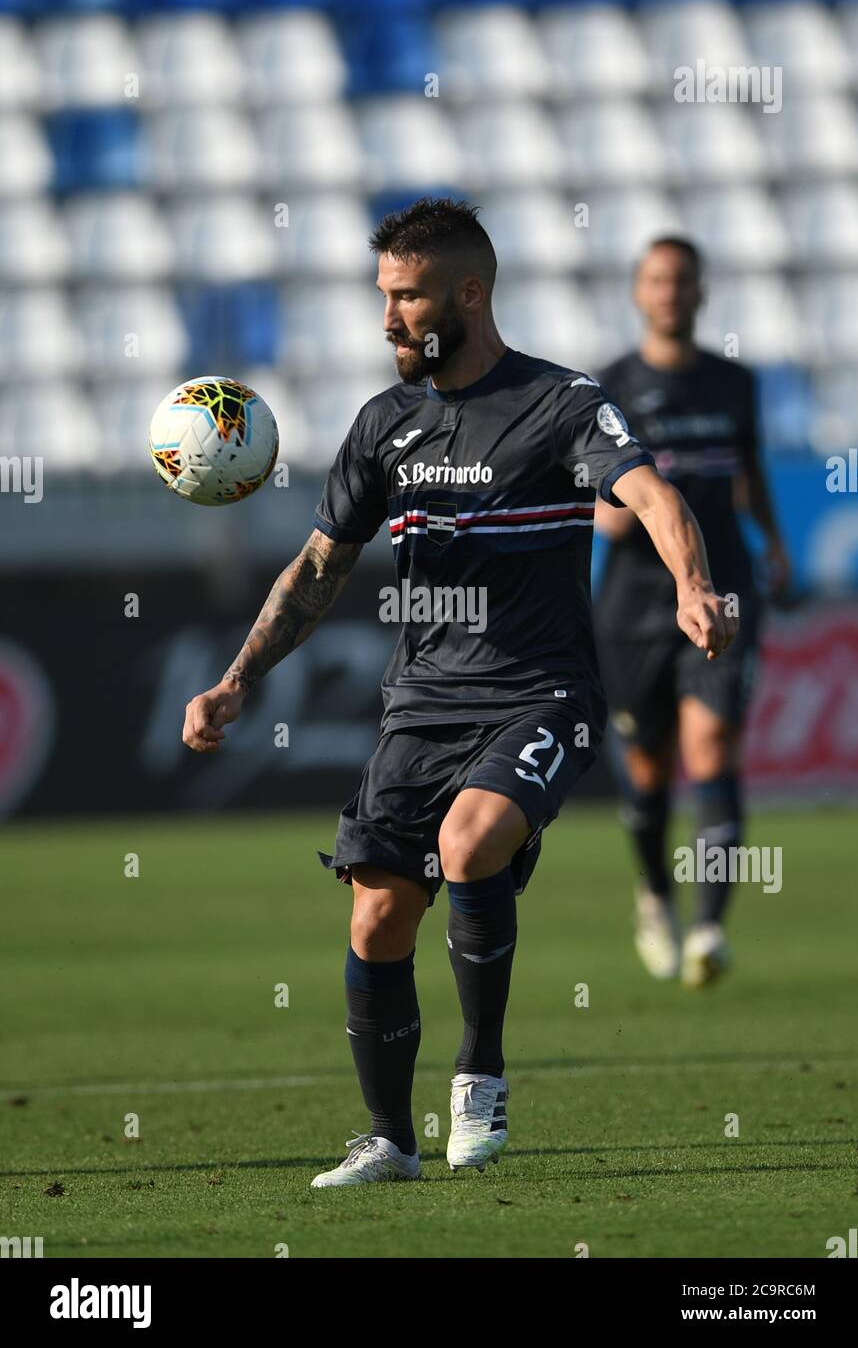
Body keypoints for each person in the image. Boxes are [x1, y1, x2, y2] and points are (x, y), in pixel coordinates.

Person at [182, 201, 738, 1187]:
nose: (387, 316)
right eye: (383, 295)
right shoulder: (381, 426)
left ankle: (478, 1078)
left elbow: (651, 495)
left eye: (406, 296)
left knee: (469, 842)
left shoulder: (563, 404)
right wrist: (234, 681)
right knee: (375, 919)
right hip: (420, 704)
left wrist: (693, 583)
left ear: (467, 294)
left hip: (542, 690)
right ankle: (387, 1141)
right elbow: (316, 569)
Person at [594, 237, 790, 987]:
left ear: (701, 293)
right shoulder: (608, 385)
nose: (670, 292)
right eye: (657, 280)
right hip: (637, 601)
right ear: (639, 293)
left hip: (722, 589)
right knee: (646, 768)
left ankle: (709, 928)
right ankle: (654, 894)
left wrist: (771, 542)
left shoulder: (734, 382)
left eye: (682, 280)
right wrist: (609, 511)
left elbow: (750, 468)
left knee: (712, 747)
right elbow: (599, 494)